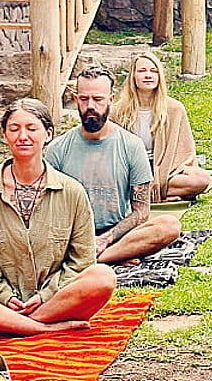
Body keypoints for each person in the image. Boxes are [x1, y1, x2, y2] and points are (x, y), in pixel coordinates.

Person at [0, 99, 116, 337]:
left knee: (103, 277)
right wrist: (4, 297)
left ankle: (8, 325)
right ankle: (40, 328)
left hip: (55, 300)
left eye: (31, 128)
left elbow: (82, 260)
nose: (23, 136)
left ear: (48, 134)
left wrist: (45, 296)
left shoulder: (72, 191)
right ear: (4, 135)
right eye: (14, 129)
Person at [47, 64, 181, 264]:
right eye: (84, 99)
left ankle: (96, 259)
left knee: (169, 226)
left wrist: (106, 238)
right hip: (71, 236)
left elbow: (141, 211)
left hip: (117, 234)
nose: (90, 106)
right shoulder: (58, 148)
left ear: (111, 100)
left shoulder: (132, 146)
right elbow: (49, 209)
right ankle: (105, 258)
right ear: (76, 100)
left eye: (98, 99)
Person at [110, 51, 210, 202]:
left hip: (167, 169)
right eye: (142, 71)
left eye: (153, 71)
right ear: (133, 77)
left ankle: (147, 193)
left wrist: (162, 173)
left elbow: (185, 152)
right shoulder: (118, 110)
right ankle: (161, 194)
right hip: (132, 171)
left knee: (201, 179)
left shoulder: (174, 108)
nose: (148, 75)